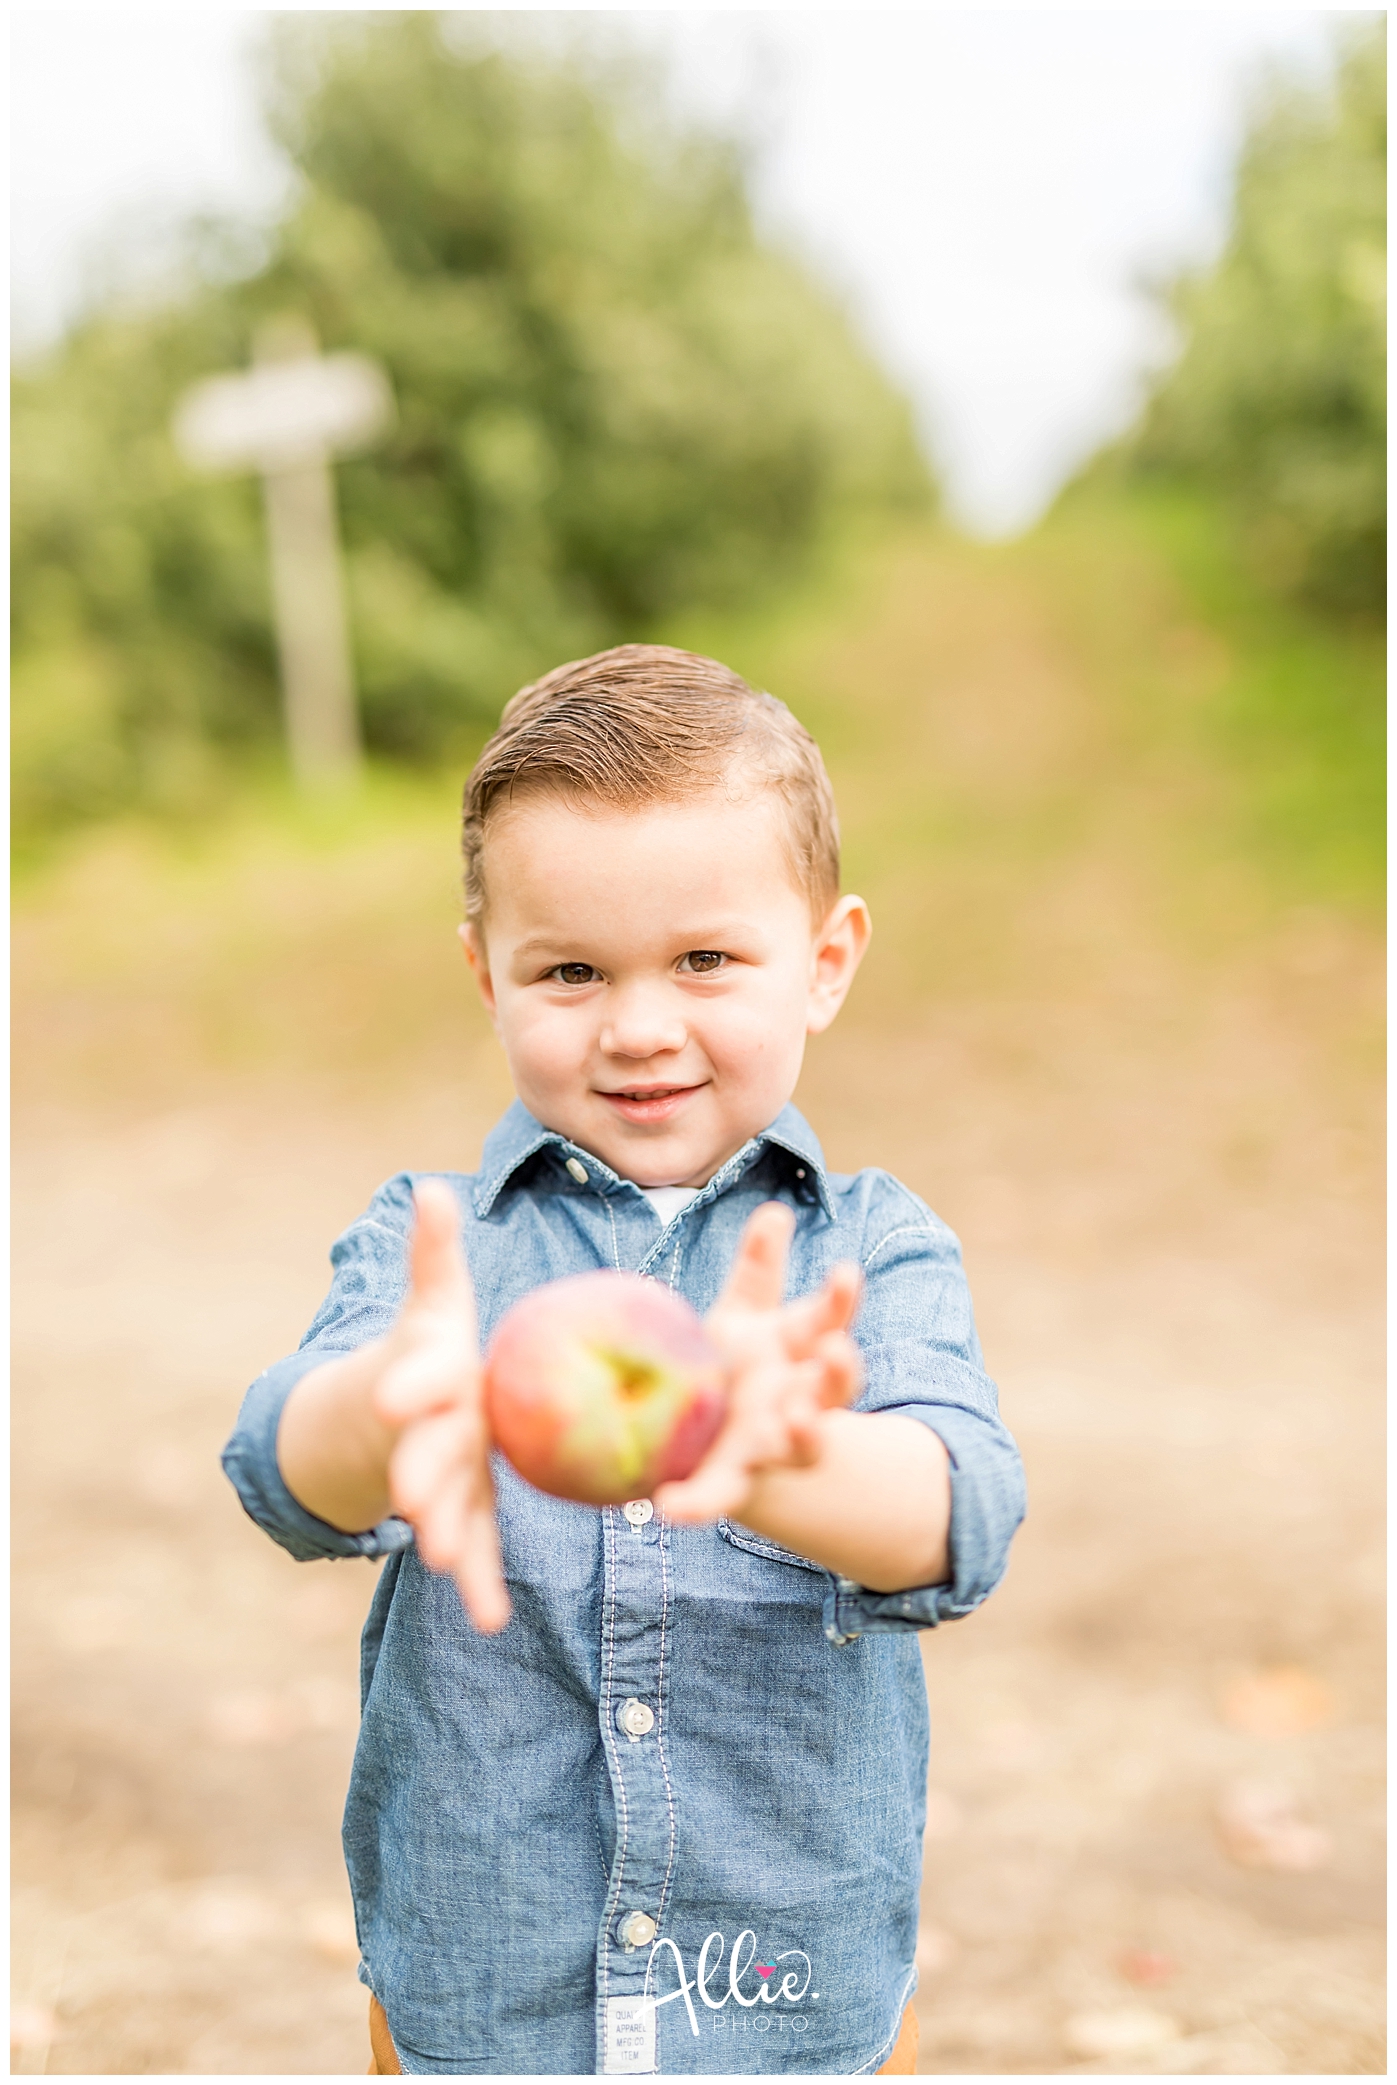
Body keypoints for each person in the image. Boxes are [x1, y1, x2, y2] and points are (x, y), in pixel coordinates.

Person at [223, 644, 1025, 2077]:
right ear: (487, 974)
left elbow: (954, 1518)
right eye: (572, 969)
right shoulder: (435, 1254)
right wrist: (373, 1416)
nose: (640, 1025)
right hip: (487, 1995)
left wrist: (783, 1455)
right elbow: (285, 1466)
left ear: (824, 962)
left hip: (785, 1995)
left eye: (706, 959)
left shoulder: (868, 1249)